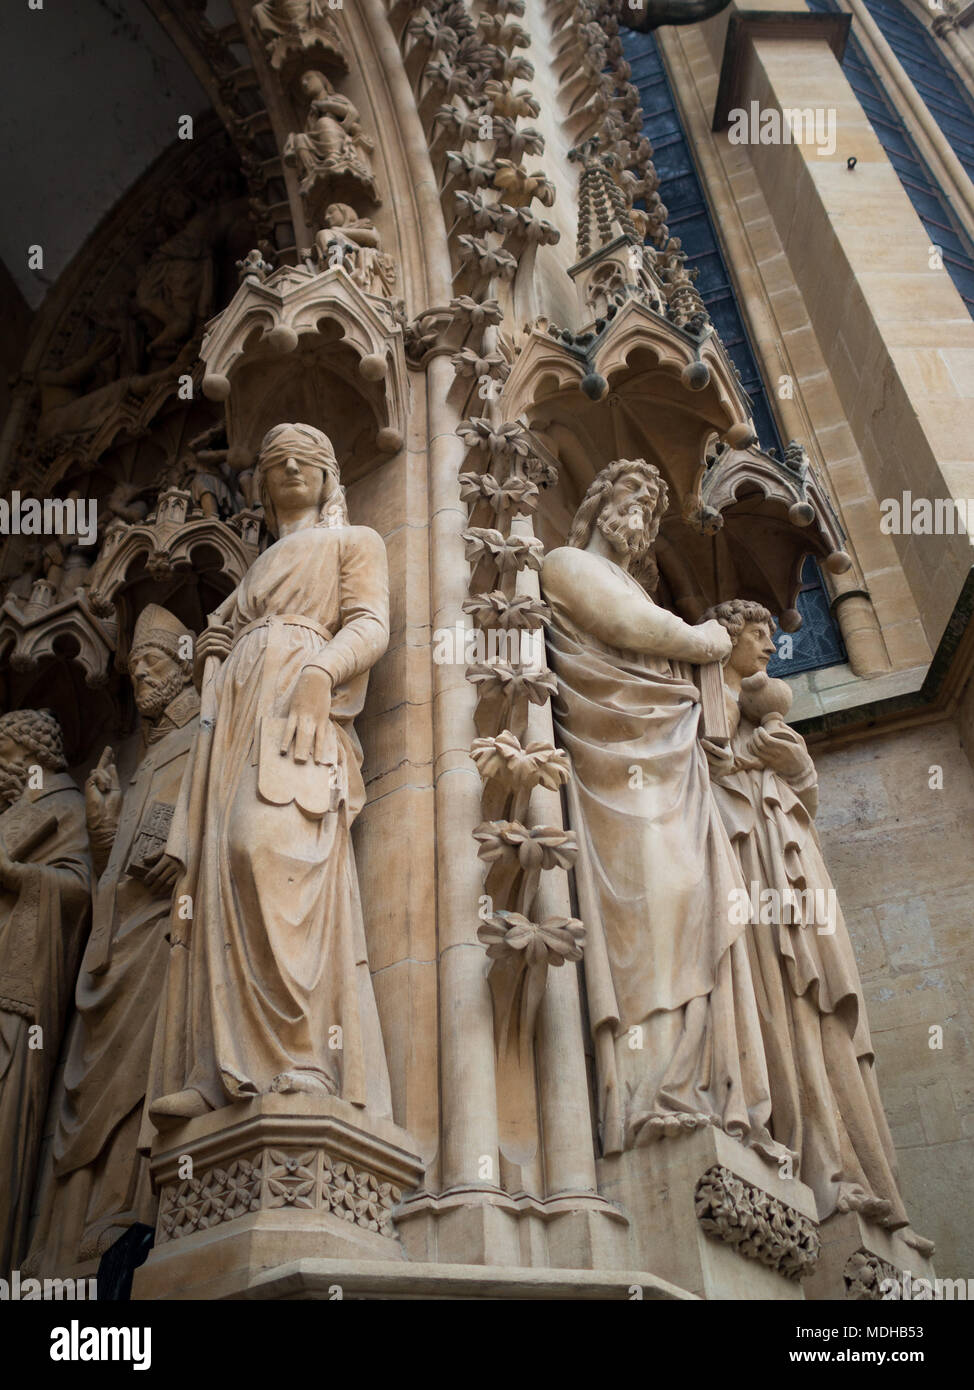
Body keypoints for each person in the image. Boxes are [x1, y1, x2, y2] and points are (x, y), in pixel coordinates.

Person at [142, 423, 392, 1137]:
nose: (288, 468)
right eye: (276, 460)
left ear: (328, 476)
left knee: (268, 849)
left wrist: (320, 672)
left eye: (304, 460)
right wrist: (216, 651)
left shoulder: (353, 542)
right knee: (219, 870)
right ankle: (219, 1070)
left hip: (299, 706)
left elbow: (371, 624)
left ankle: (304, 1056)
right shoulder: (255, 571)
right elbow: (223, 636)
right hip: (237, 717)